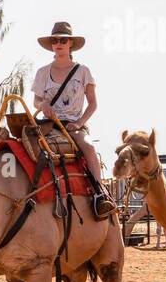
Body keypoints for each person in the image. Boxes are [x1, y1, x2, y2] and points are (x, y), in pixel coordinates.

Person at [30, 21, 116, 219]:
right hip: (48, 125)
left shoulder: (83, 71)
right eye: (55, 40)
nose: (58, 43)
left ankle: (99, 194)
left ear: (70, 43)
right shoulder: (43, 72)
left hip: (73, 125)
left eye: (62, 40)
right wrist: (43, 105)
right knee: (26, 146)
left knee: (89, 147)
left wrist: (78, 123)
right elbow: (36, 100)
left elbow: (93, 104)